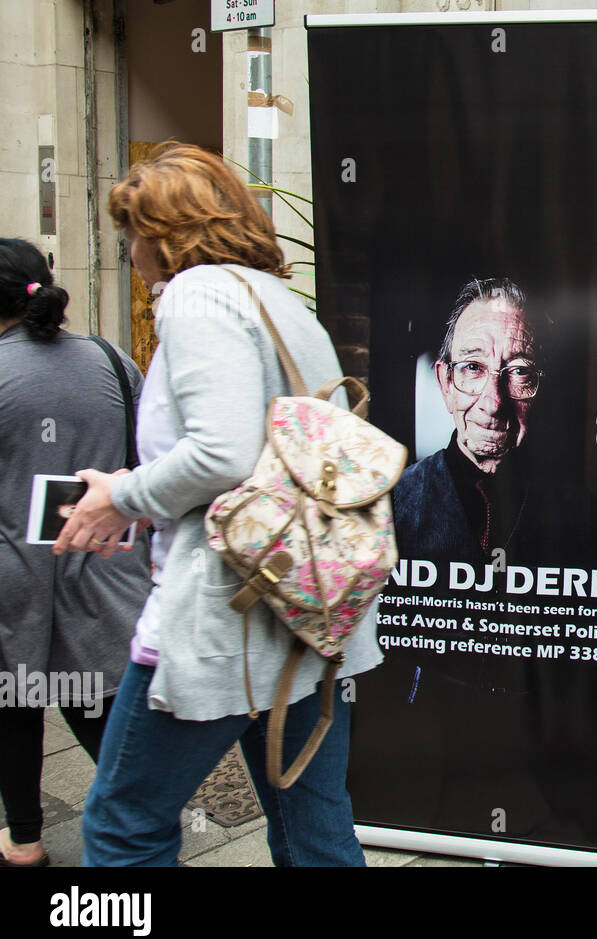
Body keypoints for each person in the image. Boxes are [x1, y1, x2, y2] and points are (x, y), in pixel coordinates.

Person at [55, 142, 383, 866]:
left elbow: (221, 453)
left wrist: (122, 496)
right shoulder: (275, 299)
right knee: (314, 827)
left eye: (132, 235)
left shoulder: (197, 295)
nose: (129, 254)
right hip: (302, 610)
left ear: (163, 235)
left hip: (222, 614)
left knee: (121, 823)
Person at [0, 239, 151, 867]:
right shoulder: (112, 360)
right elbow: (148, 457)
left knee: (13, 703)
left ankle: (25, 840)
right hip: (106, 563)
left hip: (14, 570)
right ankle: (137, 817)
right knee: (99, 698)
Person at [392, 278, 545, 564]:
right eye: (473, 367)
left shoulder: (585, 516)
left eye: (519, 371)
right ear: (445, 383)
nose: (493, 403)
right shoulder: (393, 507)